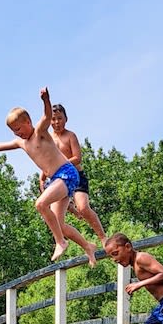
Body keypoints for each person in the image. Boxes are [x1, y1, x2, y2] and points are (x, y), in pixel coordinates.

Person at [0, 87, 98, 267]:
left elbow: (47, 115)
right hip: (56, 180)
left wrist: (46, 100)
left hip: (67, 173)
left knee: (40, 204)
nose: (17, 133)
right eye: (14, 131)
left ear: (28, 122)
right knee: (59, 224)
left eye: (18, 129)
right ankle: (88, 246)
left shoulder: (40, 132)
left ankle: (60, 242)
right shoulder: (20, 142)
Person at [41, 103, 106, 244]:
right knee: (56, 221)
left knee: (83, 208)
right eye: (53, 119)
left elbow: (77, 158)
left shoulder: (70, 136)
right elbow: (46, 160)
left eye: (60, 118)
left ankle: (103, 237)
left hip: (76, 177)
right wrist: (43, 177)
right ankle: (85, 244)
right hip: (59, 180)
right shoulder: (49, 139)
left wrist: (60, 165)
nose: (57, 122)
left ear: (66, 119)